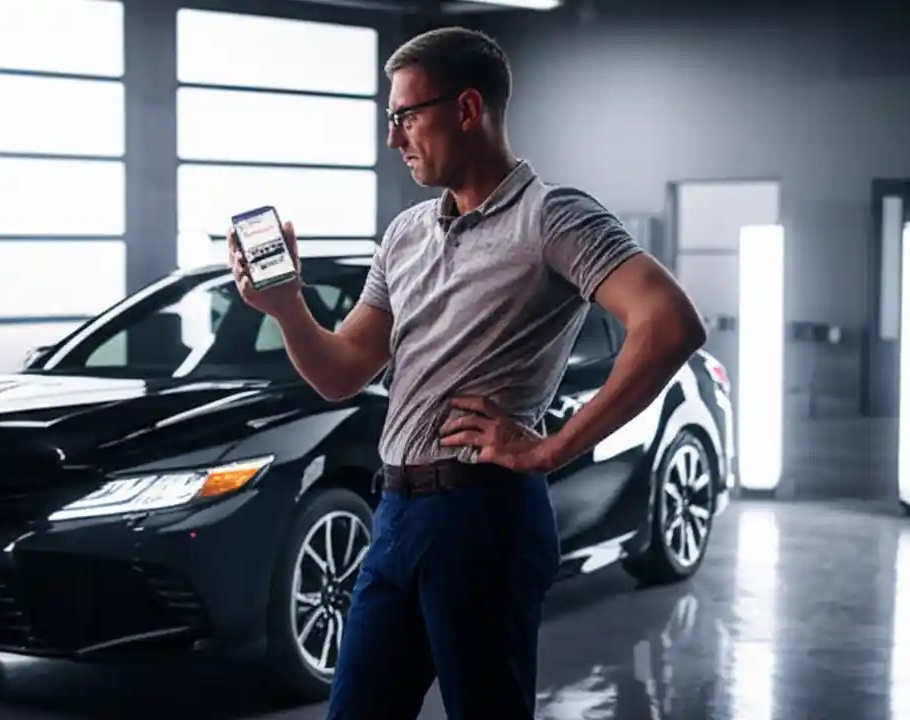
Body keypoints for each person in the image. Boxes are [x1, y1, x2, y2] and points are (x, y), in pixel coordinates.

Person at [227, 26, 707, 720]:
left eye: (406, 115)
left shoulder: (552, 217)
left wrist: (552, 448)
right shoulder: (405, 234)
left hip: (483, 517)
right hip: (396, 514)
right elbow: (341, 372)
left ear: (467, 108)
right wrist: (286, 307)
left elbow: (670, 323)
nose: (393, 137)